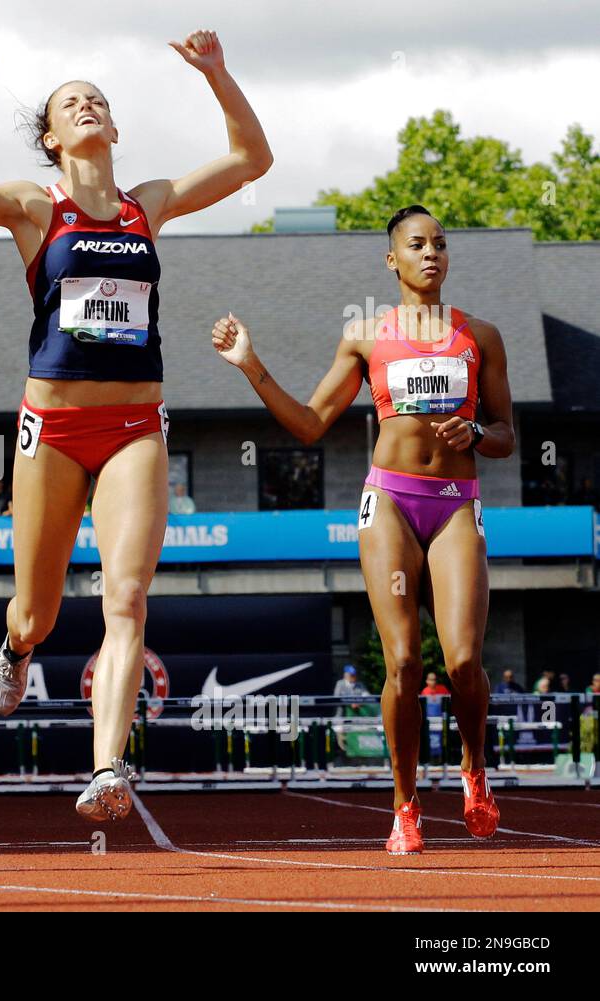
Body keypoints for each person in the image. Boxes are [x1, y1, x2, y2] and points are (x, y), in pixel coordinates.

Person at [0, 30, 270, 821]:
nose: (89, 105)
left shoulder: (150, 203)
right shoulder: (36, 207)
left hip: (136, 423)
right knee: (34, 607)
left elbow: (251, 160)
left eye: (98, 99)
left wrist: (217, 73)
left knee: (127, 596)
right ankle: (17, 646)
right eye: (72, 102)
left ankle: (107, 766)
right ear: (51, 137)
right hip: (54, 429)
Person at [212, 206, 513, 853]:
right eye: (416, 244)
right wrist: (250, 363)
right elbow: (309, 423)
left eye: (439, 243)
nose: (430, 252)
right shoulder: (365, 336)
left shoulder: (480, 336)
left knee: (463, 660)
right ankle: (405, 806)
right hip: (393, 503)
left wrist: (480, 431)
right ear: (392, 260)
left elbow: (508, 435)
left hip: (457, 502)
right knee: (403, 659)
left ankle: (474, 771)